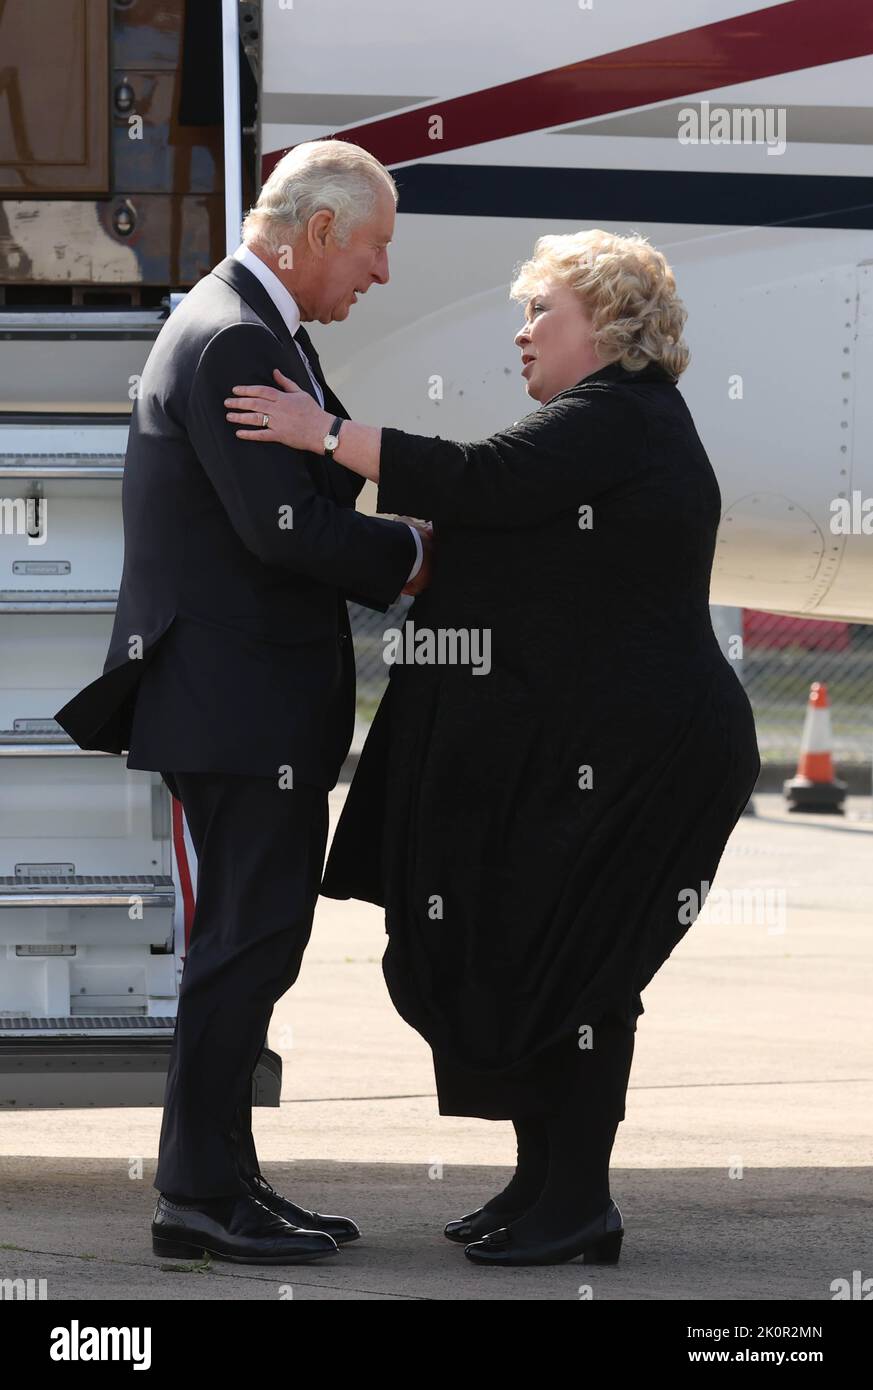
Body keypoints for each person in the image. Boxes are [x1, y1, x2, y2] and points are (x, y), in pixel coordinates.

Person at [225, 227, 762, 1268]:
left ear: (604, 325)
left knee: (585, 972)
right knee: (532, 950)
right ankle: (540, 1186)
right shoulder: (602, 422)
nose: (520, 334)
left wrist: (321, 433)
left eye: (539, 314)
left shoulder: (620, 416)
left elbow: (478, 480)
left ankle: (580, 1207)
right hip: (616, 745)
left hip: (656, 757)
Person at [54, 140, 432, 1266]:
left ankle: (228, 1180)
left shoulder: (260, 331)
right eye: (373, 251)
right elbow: (288, 529)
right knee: (243, 946)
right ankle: (197, 1197)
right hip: (236, 708)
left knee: (256, 944)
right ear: (318, 233)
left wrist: (438, 502)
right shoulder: (232, 339)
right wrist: (417, 559)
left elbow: (331, 467)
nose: (380, 275)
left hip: (247, 704)